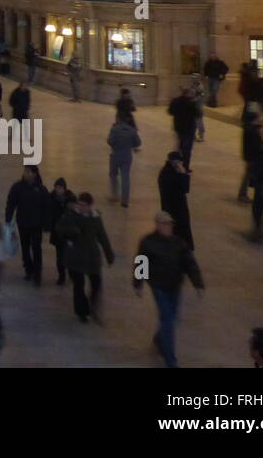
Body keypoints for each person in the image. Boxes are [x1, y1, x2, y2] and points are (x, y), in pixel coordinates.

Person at [133, 210, 204, 368]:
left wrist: (197, 283)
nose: (168, 227)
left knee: (173, 319)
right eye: (165, 224)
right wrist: (138, 284)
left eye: (170, 224)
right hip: (158, 286)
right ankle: (171, 361)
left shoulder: (178, 242)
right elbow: (140, 263)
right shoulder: (148, 242)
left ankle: (159, 339)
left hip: (175, 285)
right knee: (168, 320)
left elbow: (189, 262)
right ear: (158, 225)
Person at [55, 192, 114, 324]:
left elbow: (102, 236)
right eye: (79, 204)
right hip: (75, 256)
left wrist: (109, 254)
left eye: (84, 205)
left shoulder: (96, 218)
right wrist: (72, 231)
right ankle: (82, 312)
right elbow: (59, 228)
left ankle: (91, 305)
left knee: (96, 283)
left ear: (90, 206)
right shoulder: (71, 215)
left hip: (92, 256)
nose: (81, 207)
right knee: (79, 286)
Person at [5, 165, 50, 285]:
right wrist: (8, 218)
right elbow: (11, 203)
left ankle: (37, 273)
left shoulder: (41, 189)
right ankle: (28, 269)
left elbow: (46, 207)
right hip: (23, 223)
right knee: (25, 248)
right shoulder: (17, 187)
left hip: (36, 224)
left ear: (35, 174)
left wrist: (46, 224)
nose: (26, 174)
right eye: (25, 171)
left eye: (29, 172)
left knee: (36, 248)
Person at [158, 151, 194, 249]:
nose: (180, 164)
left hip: (174, 206)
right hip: (174, 207)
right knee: (177, 228)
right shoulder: (168, 173)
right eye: (178, 162)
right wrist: (183, 175)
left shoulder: (169, 172)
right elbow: (184, 188)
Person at [107, 111, 141, 207]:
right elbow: (138, 143)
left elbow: (109, 141)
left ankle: (115, 195)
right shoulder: (132, 130)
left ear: (118, 119)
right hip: (127, 156)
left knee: (113, 175)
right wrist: (130, 145)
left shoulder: (114, 129)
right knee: (125, 177)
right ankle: (125, 200)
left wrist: (115, 145)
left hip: (115, 155)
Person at [48, 178, 75, 285]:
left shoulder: (71, 200)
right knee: (60, 257)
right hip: (58, 234)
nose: (58, 190)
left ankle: (71, 273)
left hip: (68, 234)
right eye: (56, 188)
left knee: (70, 255)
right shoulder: (51, 199)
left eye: (60, 188)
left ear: (64, 188)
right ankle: (61, 276)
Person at [169, 87, 199, 170]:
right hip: (189, 128)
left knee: (180, 145)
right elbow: (198, 114)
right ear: (188, 94)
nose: (193, 95)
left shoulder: (175, 101)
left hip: (178, 126)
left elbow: (170, 112)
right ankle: (185, 165)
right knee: (187, 148)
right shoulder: (191, 103)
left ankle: (175, 162)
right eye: (192, 93)